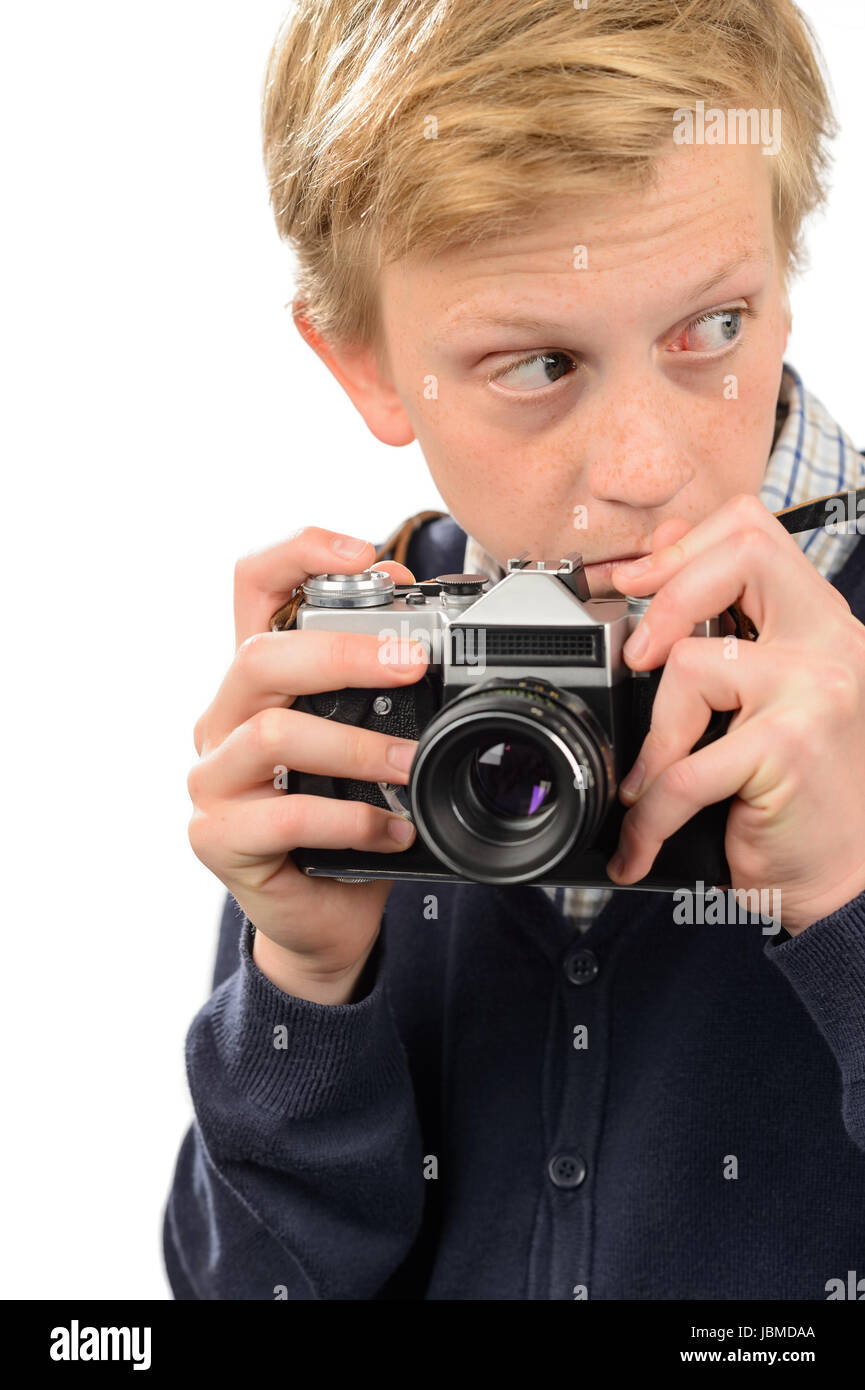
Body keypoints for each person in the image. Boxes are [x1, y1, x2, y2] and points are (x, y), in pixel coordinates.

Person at [163, 0, 865, 1300]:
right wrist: (305, 984)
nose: (647, 468)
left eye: (712, 326)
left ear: (786, 266)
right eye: (539, 364)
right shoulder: (378, 682)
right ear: (365, 365)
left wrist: (850, 901)